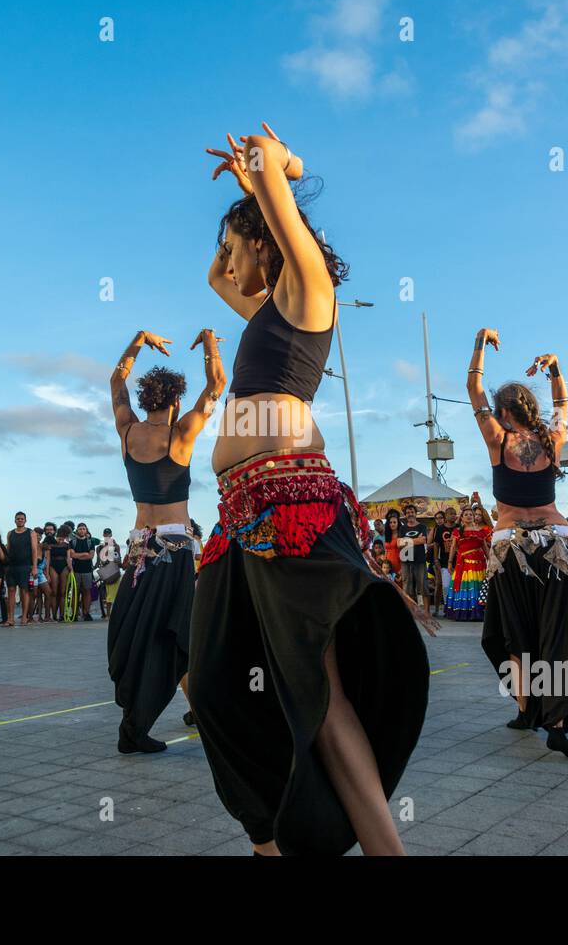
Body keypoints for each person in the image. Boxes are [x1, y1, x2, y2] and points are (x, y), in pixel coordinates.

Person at [191, 124, 431, 856]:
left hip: (291, 502)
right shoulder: (263, 313)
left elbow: (273, 183)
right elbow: (213, 280)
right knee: (218, 684)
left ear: (264, 240)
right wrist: (242, 209)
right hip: (241, 516)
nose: (230, 266)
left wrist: (272, 174)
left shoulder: (307, 292)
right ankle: (275, 837)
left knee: (315, 693)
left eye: (237, 248)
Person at [467, 329, 568, 759]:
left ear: (505, 411)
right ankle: (558, 722)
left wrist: (479, 345)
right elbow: (563, 404)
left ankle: (528, 708)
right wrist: (556, 368)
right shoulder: (552, 440)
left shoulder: (498, 439)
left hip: (511, 545)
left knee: (513, 632)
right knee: (561, 632)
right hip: (557, 544)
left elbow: (472, 389)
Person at [107, 328, 221, 753]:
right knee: (178, 634)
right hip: (173, 551)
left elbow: (116, 383)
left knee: (142, 635)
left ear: (145, 400)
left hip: (139, 549)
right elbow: (216, 387)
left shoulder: (126, 431)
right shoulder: (182, 435)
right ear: (174, 402)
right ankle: (155, 723)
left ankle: (137, 726)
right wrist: (209, 342)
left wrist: (137, 341)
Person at [445, 505, 492, 621]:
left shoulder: (481, 532)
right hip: (464, 565)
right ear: (461, 518)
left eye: (471, 514)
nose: (469, 516)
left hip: (479, 565)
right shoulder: (457, 531)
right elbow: (453, 547)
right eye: (466, 514)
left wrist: (491, 562)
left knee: (477, 587)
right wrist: (450, 562)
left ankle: (477, 612)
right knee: (465, 587)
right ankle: (463, 613)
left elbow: (486, 549)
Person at [4, 512, 39, 627]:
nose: (20, 520)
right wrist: (5, 565)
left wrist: (34, 567)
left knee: (24, 592)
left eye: (22, 519)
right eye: (18, 519)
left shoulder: (31, 533)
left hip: (25, 566)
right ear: (15, 520)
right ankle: (10, 618)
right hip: (12, 566)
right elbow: (8, 550)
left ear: (25, 520)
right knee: (11, 591)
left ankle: (24, 616)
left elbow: (34, 550)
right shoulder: (10, 533)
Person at [396, 502, 430, 609]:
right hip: (405, 558)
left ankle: (426, 612)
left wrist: (406, 541)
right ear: (405, 515)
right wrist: (416, 540)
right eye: (407, 512)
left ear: (416, 513)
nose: (410, 514)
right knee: (407, 587)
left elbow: (423, 540)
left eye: (412, 512)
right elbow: (399, 543)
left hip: (419, 559)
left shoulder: (422, 526)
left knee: (423, 586)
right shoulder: (402, 528)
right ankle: (410, 611)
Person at [69, 522, 98, 622]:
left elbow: (91, 556)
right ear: (77, 530)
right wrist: (84, 554)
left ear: (86, 530)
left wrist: (78, 555)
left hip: (87, 570)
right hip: (75, 570)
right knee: (75, 592)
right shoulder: (72, 542)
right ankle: (75, 613)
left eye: (83, 529)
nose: (82, 530)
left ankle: (86, 613)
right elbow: (72, 555)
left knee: (87, 591)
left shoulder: (90, 542)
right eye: (80, 529)